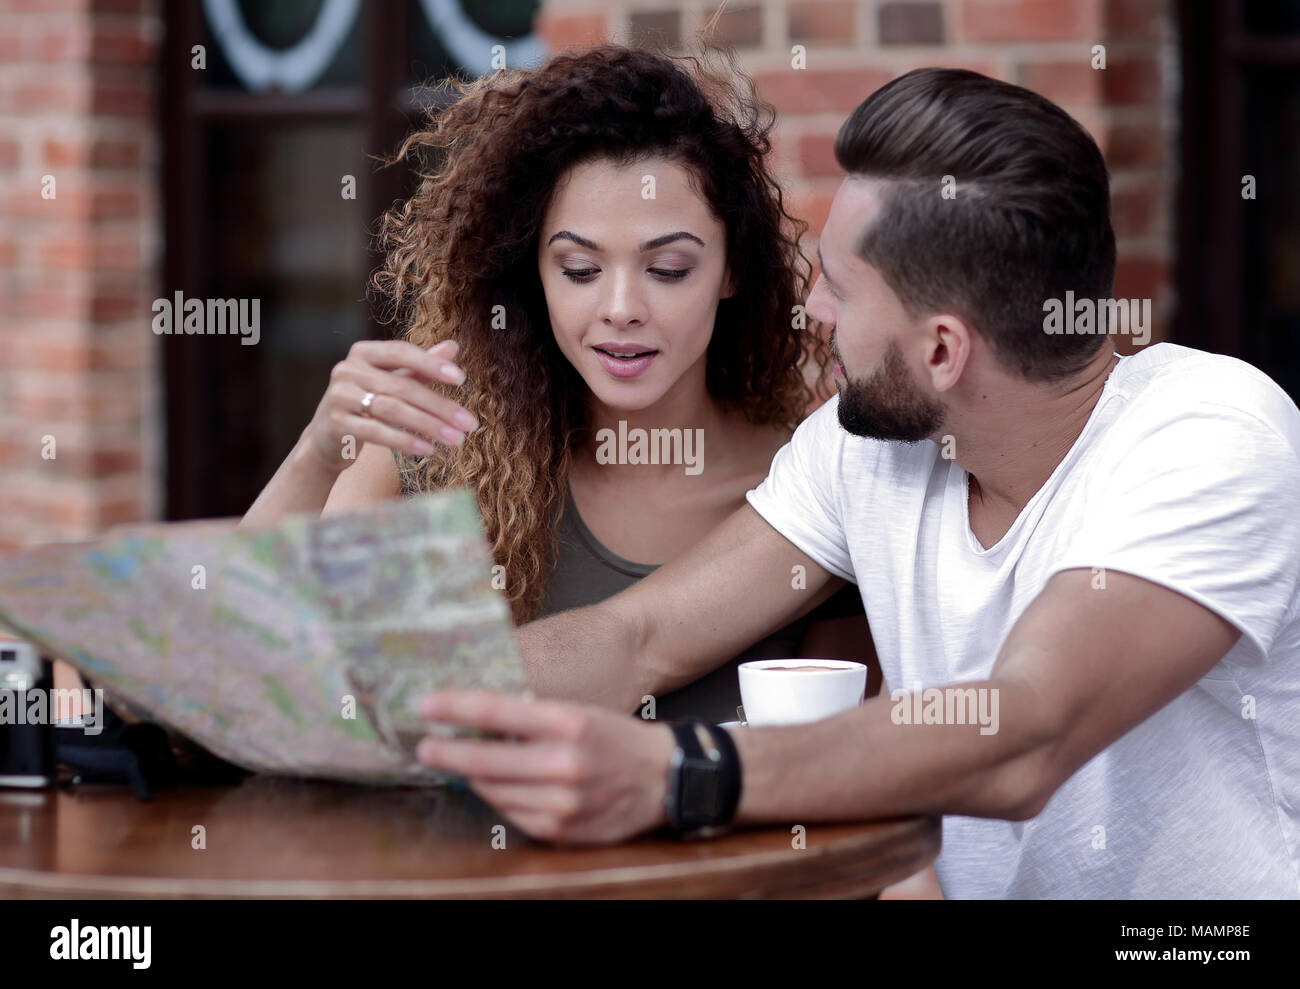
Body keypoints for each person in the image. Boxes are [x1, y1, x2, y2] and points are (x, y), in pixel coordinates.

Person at [412, 68, 1300, 900]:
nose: (813, 310)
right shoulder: (866, 448)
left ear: (942, 349)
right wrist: (400, 698)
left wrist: (677, 772)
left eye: (839, 287)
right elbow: (641, 636)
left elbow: (1025, 731)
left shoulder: (1209, 436)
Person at [241, 45, 874, 724]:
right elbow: (238, 665)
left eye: (667, 269)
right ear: (531, 276)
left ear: (731, 271)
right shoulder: (438, 455)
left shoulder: (809, 492)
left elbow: (840, 756)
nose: (622, 307)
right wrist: (317, 451)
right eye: (579, 268)